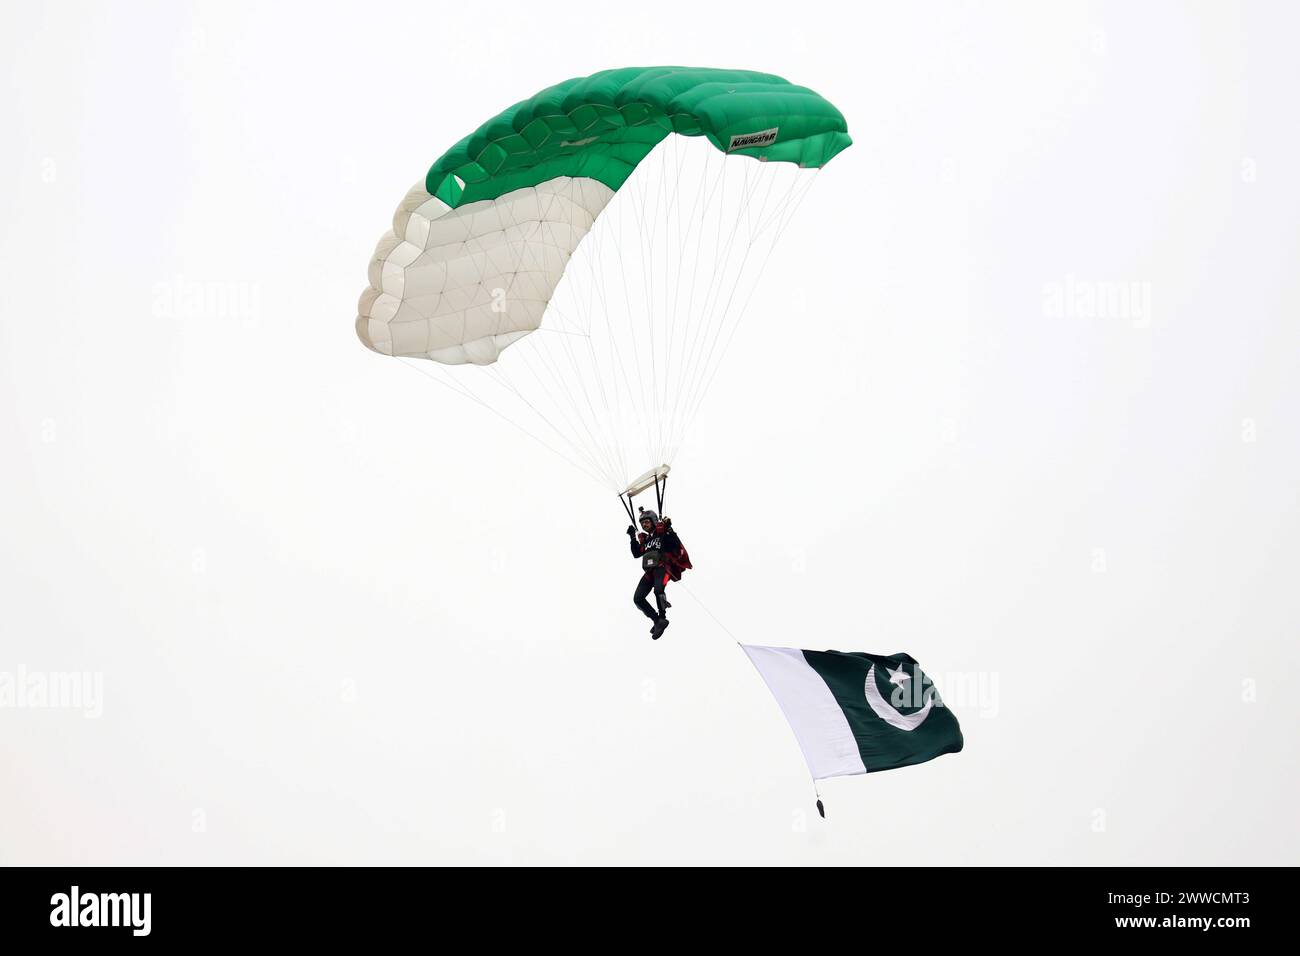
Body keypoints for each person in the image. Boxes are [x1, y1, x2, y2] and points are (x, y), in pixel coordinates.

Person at [626, 507, 691, 639]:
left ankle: (662, 617)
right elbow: (636, 553)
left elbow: (675, 545)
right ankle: (657, 621)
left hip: (662, 567)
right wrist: (633, 537)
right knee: (638, 599)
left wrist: (669, 530)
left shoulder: (662, 534)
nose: (644, 525)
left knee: (658, 590)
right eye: (642, 523)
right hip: (650, 571)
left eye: (647, 522)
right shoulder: (646, 540)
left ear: (654, 521)